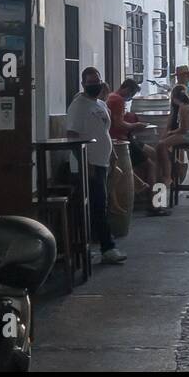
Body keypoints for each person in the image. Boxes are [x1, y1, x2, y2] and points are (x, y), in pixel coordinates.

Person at [66, 67, 126, 264]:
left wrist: (112, 154)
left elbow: (104, 131)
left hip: (102, 162)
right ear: (83, 84)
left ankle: (96, 245)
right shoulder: (78, 106)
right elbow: (72, 136)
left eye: (97, 81)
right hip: (88, 165)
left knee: (101, 204)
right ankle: (107, 248)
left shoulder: (100, 103)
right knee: (98, 206)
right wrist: (85, 163)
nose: (94, 85)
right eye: (90, 82)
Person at [107, 78, 169, 217]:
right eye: (131, 94)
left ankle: (157, 197)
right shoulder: (117, 100)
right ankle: (154, 204)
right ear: (127, 89)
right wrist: (136, 126)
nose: (131, 98)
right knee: (151, 165)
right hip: (122, 140)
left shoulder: (113, 97)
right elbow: (118, 124)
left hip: (126, 137)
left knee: (153, 153)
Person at [157, 84, 189, 189]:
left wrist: (171, 133)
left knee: (162, 145)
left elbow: (184, 129)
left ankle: (168, 174)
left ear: (174, 97)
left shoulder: (184, 108)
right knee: (162, 145)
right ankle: (177, 164)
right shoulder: (188, 105)